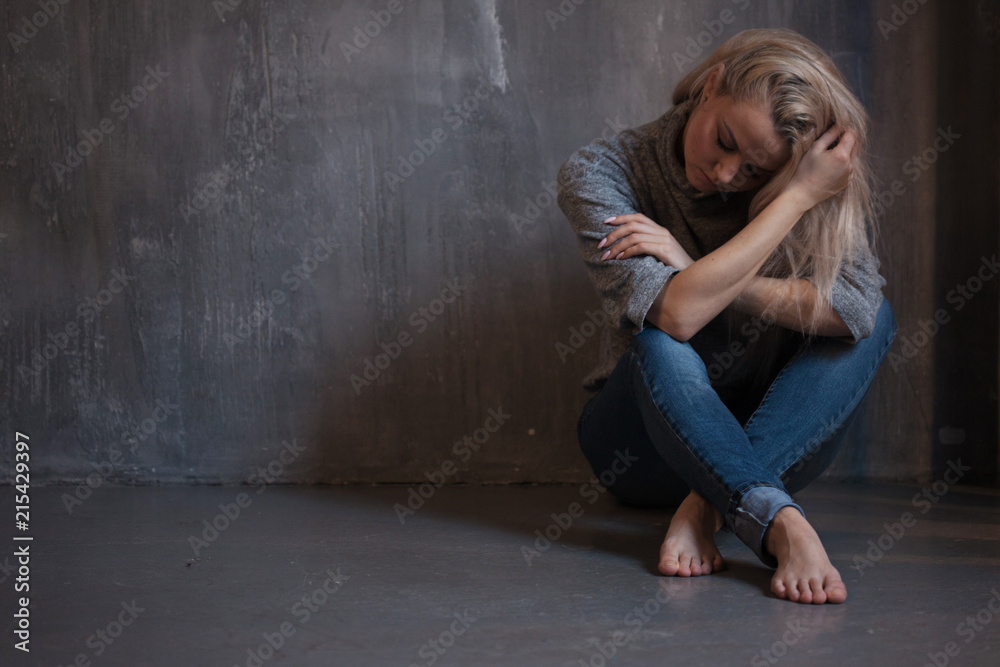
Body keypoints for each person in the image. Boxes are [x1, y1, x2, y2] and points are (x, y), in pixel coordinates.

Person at [556, 28, 898, 605]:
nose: (724, 174)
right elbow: (679, 314)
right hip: (640, 446)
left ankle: (711, 499)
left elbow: (857, 310)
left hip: (777, 433)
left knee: (874, 318)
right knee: (658, 339)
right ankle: (779, 520)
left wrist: (791, 198)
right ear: (712, 85)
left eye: (755, 173)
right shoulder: (601, 172)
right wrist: (789, 203)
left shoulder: (806, 183)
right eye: (724, 141)